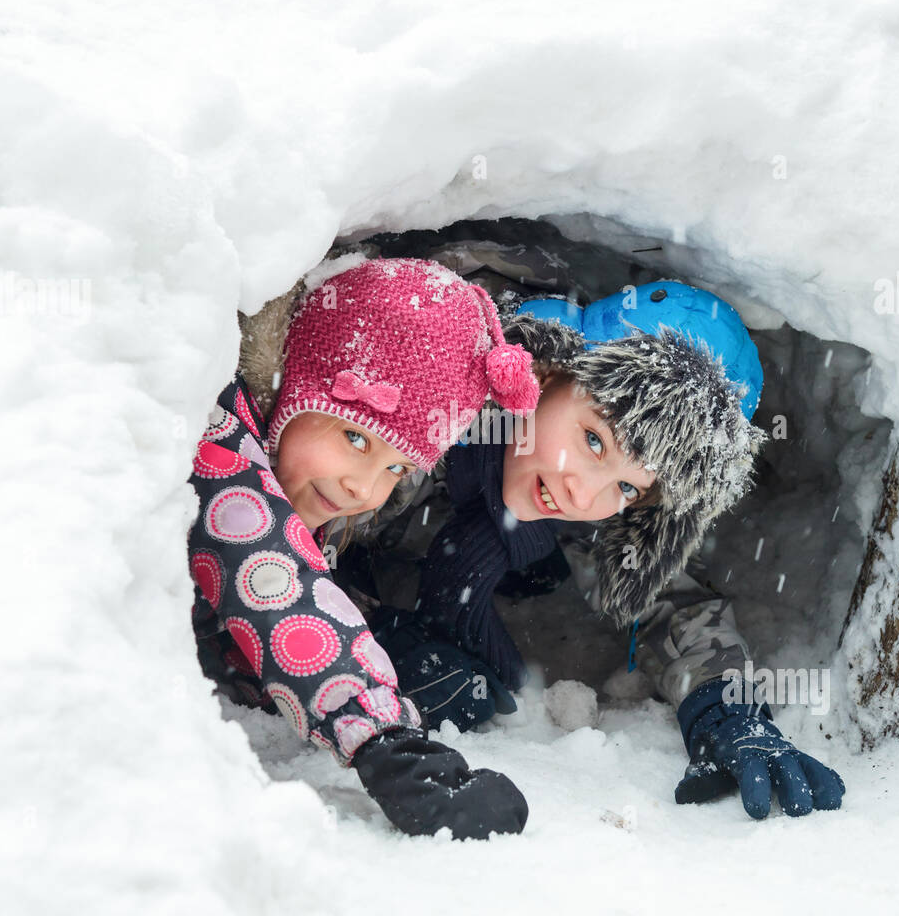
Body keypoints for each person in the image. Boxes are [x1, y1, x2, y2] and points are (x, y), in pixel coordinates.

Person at [360, 277, 846, 821]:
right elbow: (287, 541)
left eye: (628, 489)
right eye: (594, 440)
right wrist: (367, 635)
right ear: (551, 370)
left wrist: (724, 710)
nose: (584, 493)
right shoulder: (420, 416)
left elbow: (674, 609)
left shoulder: (579, 508)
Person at [186, 256, 540, 840]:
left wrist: (388, 638)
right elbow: (267, 574)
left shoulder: (298, 468)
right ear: (295, 384)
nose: (365, 488)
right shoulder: (216, 435)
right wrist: (391, 747)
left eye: (397, 468)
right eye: (356, 437)